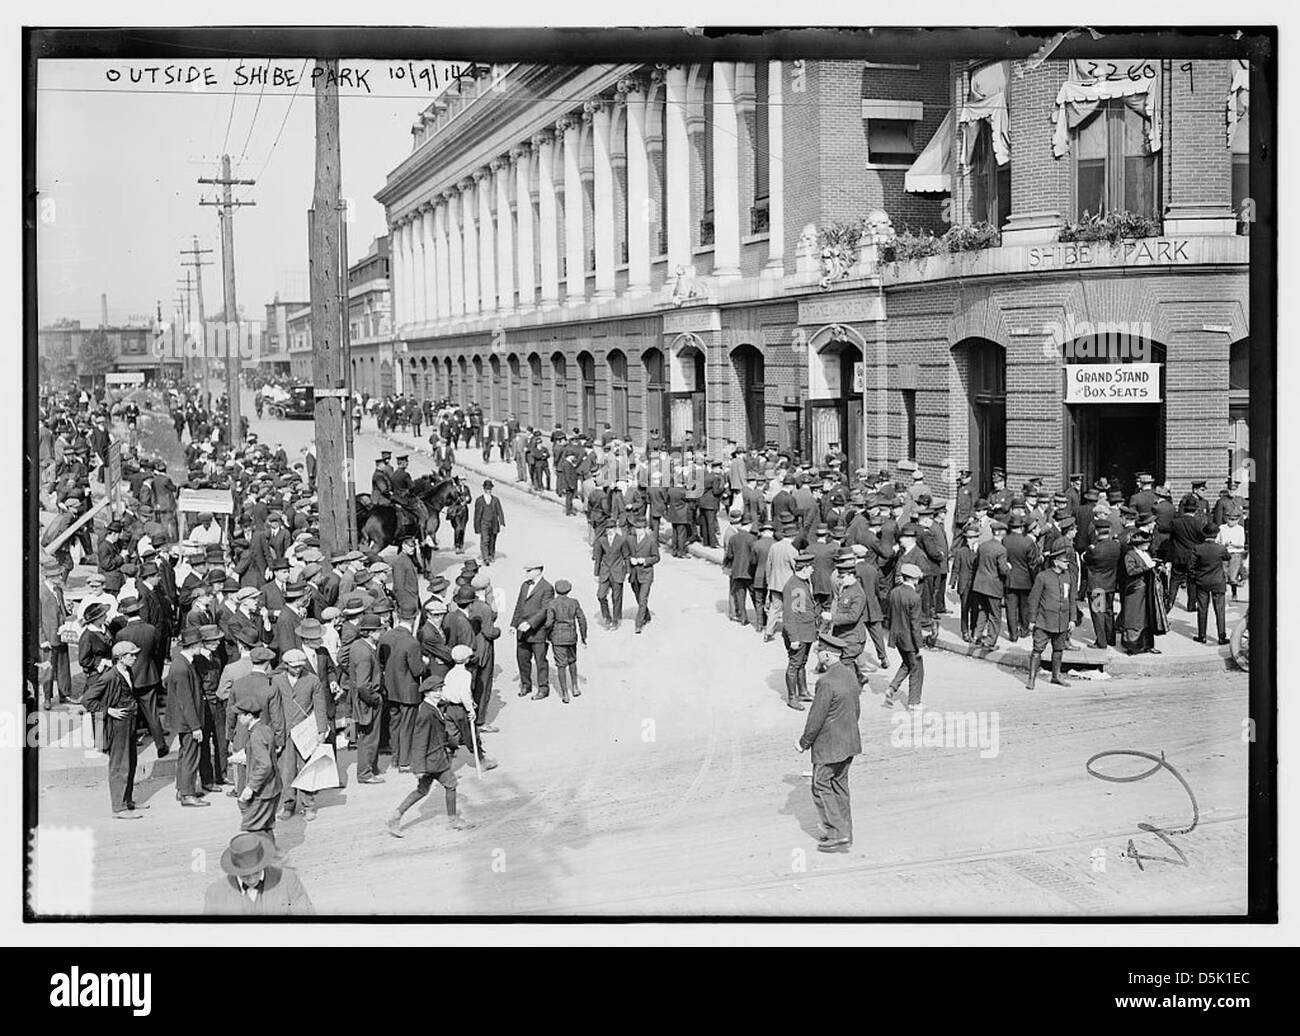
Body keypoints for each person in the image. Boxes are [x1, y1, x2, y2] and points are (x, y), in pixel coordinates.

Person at [796, 632, 862, 853]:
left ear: (826, 654)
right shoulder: (850, 674)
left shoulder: (825, 682)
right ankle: (845, 833)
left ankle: (837, 831)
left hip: (830, 745)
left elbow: (816, 717)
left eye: (819, 653)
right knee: (840, 786)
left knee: (821, 785)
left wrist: (804, 742)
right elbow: (856, 709)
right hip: (849, 741)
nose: (818, 656)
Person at [386, 678, 474, 837]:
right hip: (433, 760)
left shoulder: (431, 708)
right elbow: (419, 741)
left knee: (422, 791)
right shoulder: (426, 713)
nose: (438, 694)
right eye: (435, 691)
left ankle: (396, 816)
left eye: (440, 690)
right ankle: (453, 820)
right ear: (426, 692)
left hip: (433, 759)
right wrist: (418, 768)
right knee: (451, 784)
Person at [83, 641, 143, 819]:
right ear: (121, 658)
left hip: (129, 722)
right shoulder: (110, 677)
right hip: (118, 726)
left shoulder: (128, 672)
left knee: (131, 762)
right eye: (131, 655)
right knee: (119, 765)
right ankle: (119, 807)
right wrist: (109, 710)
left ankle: (128, 800)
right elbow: (87, 700)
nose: (134, 657)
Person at [275, 648, 330, 821]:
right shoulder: (276, 681)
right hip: (285, 733)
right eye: (294, 667)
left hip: (306, 732)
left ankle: (309, 806)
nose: (298, 669)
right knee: (286, 771)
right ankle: (288, 805)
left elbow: (320, 706)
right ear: (285, 665)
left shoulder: (312, 680)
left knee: (307, 769)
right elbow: (273, 708)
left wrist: (321, 730)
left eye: (300, 666)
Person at [203, 833, 315, 916]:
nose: (252, 881)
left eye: (256, 873)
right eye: (244, 876)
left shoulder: (288, 880)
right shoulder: (215, 893)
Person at [166, 626, 209, 807]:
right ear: (194, 645)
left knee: (185, 755)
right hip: (187, 721)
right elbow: (186, 700)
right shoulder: (182, 668)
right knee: (191, 756)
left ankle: (182, 788)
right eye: (200, 643)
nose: (202, 647)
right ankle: (188, 793)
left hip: (182, 720)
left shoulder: (182, 662)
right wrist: (195, 726)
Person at [232, 694, 282, 849]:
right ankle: (271, 858)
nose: (238, 718)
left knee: (253, 825)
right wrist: (243, 755)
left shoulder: (255, 735)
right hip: (273, 787)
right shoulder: (265, 729)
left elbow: (265, 765)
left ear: (248, 716)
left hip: (262, 791)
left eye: (240, 715)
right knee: (265, 826)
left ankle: (263, 861)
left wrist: (250, 787)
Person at [1025, 546, 1074, 690]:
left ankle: (1056, 676)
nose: (1067, 564)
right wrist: (1032, 620)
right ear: (1055, 562)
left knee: (1058, 649)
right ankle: (1031, 679)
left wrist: (1072, 619)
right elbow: (1033, 600)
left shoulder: (1068, 576)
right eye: (1064, 561)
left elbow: (1072, 599)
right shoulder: (1043, 577)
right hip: (1044, 621)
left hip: (1062, 621)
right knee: (1037, 649)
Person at [349, 614, 386, 784]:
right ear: (371, 632)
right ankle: (365, 773)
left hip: (362, 698)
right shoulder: (364, 652)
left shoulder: (358, 645)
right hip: (367, 700)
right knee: (369, 736)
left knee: (368, 735)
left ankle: (371, 767)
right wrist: (374, 699)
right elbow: (363, 685)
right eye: (379, 629)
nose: (382, 632)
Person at [883, 563, 925, 710]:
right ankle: (914, 702)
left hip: (897, 635)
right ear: (915, 579)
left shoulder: (894, 592)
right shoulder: (915, 597)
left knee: (907, 663)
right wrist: (919, 645)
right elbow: (915, 625)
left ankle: (892, 687)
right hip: (909, 639)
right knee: (917, 669)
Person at [511, 563, 554, 699]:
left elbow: (545, 609)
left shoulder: (547, 587)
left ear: (538, 571)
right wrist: (513, 624)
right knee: (522, 659)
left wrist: (530, 623)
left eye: (529, 570)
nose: (527, 573)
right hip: (521, 630)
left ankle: (543, 688)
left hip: (537, 631)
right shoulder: (525, 585)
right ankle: (525, 685)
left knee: (540, 661)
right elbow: (519, 605)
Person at [781, 552, 817, 711]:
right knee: (794, 664)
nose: (813, 570)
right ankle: (791, 697)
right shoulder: (794, 587)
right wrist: (794, 638)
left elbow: (803, 608)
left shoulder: (802, 582)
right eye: (810, 567)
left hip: (806, 631)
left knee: (802, 662)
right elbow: (789, 615)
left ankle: (802, 692)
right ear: (804, 568)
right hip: (799, 633)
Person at [543, 579, 588, 703]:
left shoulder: (552, 604)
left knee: (561, 665)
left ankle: (564, 694)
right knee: (572, 661)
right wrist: (584, 637)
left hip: (557, 638)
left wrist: (547, 635)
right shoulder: (574, 602)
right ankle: (575, 687)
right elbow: (582, 620)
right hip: (571, 637)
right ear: (569, 589)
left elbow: (549, 623)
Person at [1082, 522, 1121, 649]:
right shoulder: (1116, 546)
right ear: (1109, 531)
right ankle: (1111, 638)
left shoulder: (1093, 549)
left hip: (1097, 586)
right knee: (1109, 612)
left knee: (1098, 613)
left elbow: (1085, 559)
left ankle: (1101, 641)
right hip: (1110, 584)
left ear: (1096, 532)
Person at [1191, 524, 1231, 645]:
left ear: (1204, 534)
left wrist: (1196, 576)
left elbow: (1190, 566)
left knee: (1202, 609)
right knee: (1220, 610)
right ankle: (1221, 636)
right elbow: (1227, 557)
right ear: (1216, 534)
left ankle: (1202, 635)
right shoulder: (1220, 548)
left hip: (1202, 581)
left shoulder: (1197, 548)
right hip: (1218, 581)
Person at [625, 515, 659, 633]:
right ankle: (646, 615)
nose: (638, 531)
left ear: (645, 529)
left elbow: (656, 557)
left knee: (643, 598)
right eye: (637, 528)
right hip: (634, 574)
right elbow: (626, 554)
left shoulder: (651, 540)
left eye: (641, 528)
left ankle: (638, 624)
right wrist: (630, 561)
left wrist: (645, 561)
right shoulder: (630, 539)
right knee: (638, 598)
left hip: (646, 574)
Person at [593, 520, 629, 630]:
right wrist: (596, 573)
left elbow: (626, 557)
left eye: (612, 528)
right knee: (601, 595)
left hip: (617, 572)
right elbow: (598, 558)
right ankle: (607, 617)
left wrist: (627, 572)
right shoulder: (601, 540)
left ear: (615, 528)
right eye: (608, 528)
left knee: (616, 597)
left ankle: (616, 620)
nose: (610, 530)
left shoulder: (622, 540)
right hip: (604, 572)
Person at [472, 480, 506, 565]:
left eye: (490, 489)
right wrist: (477, 527)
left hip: (494, 522)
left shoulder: (495, 500)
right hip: (484, 523)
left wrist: (502, 523)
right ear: (484, 489)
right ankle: (485, 558)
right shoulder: (479, 500)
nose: (489, 490)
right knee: (484, 540)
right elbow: (477, 514)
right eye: (487, 489)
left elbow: (500, 511)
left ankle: (491, 555)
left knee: (492, 540)